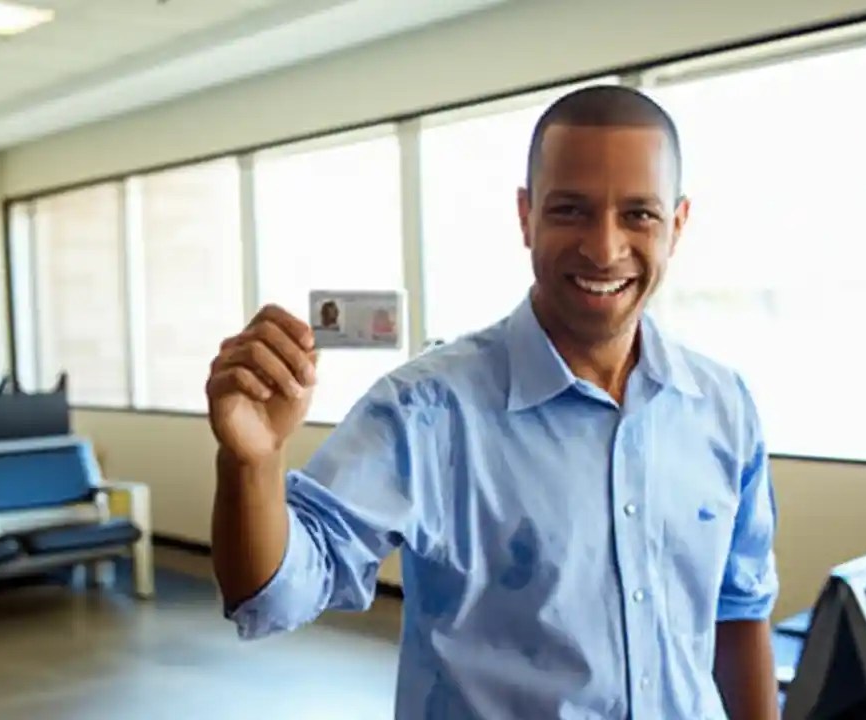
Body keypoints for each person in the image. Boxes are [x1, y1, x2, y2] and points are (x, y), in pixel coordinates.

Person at [205, 84, 779, 720]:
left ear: (677, 224)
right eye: (570, 210)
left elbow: (740, 610)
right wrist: (251, 464)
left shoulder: (723, 407)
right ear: (525, 215)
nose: (605, 248)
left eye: (638, 214)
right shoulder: (427, 411)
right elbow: (270, 595)